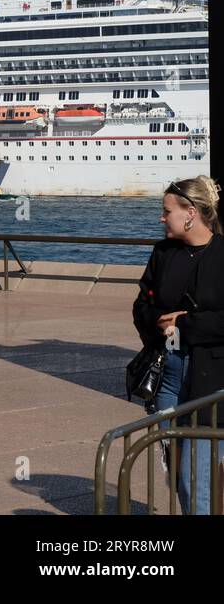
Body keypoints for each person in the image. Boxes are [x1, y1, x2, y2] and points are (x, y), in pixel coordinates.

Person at [131, 175, 224, 514]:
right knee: (177, 475)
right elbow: (141, 305)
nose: (161, 217)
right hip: (167, 380)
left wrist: (183, 324)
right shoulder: (163, 253)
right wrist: (158, 321)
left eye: (166, 211)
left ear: (190, 212)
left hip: (211, 382)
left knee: (194, 481)